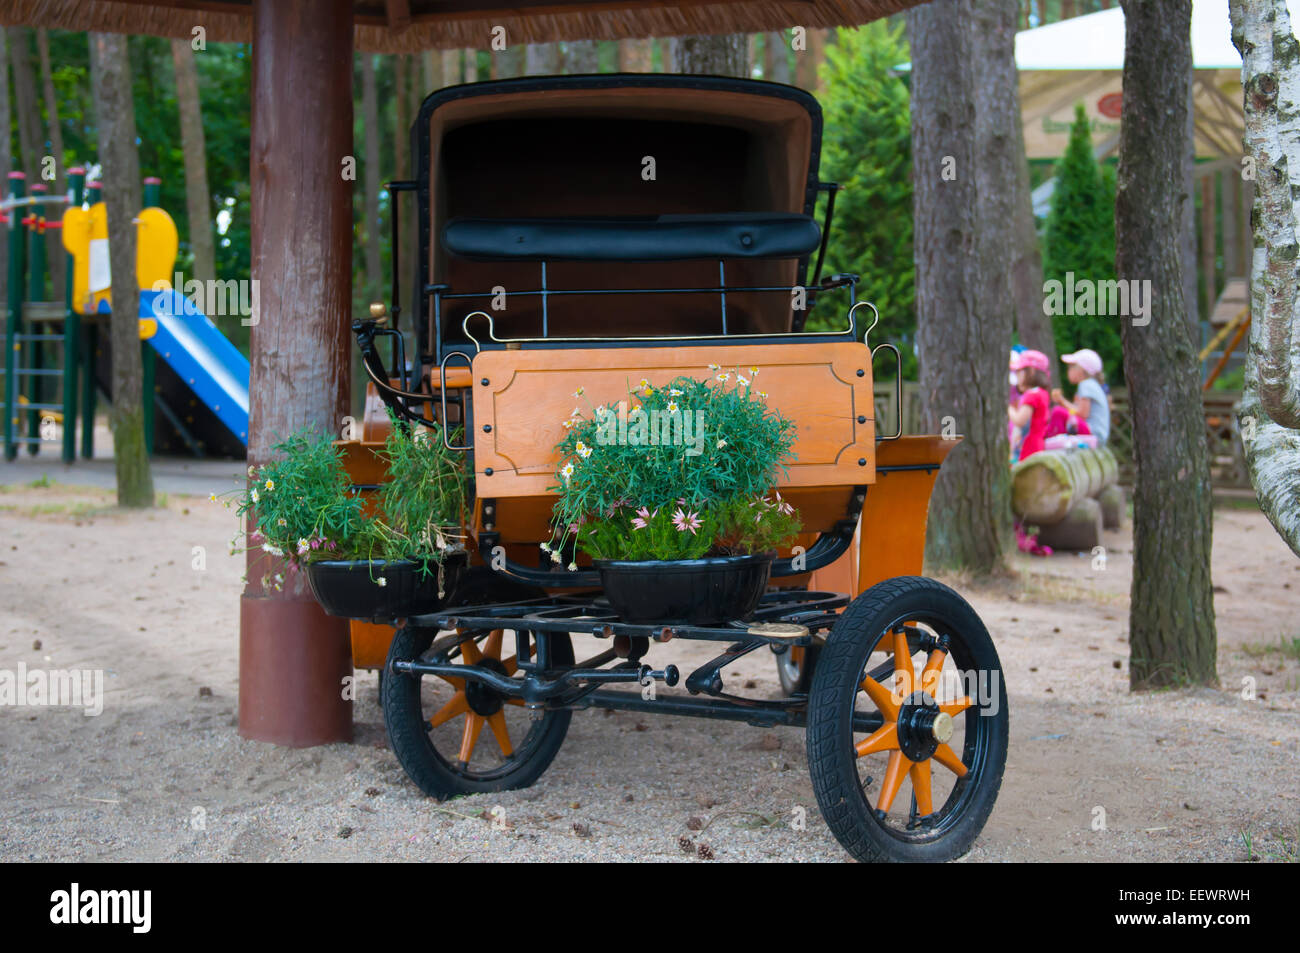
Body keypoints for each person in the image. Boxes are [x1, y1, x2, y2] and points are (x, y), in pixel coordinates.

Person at [1050, 348, 1110, 445]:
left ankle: (1053, 439)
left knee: (1058, 411)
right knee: (1061, 412)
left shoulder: (1086, 385)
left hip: (1094, 434)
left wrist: (1062, 401)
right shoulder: (1090, 384)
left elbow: (1082, 414)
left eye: (1071, 367)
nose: (1068, 371)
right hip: (1096, 434)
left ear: (1082, 370)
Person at [1007, 349, 1051, 461]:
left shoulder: (1032, 395)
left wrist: (1009, 408)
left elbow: (1020, 420)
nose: (1016, 376)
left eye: (1019, 371)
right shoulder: (1042, 393)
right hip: (1036, 446)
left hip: (1027, 449)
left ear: (1031, 371)